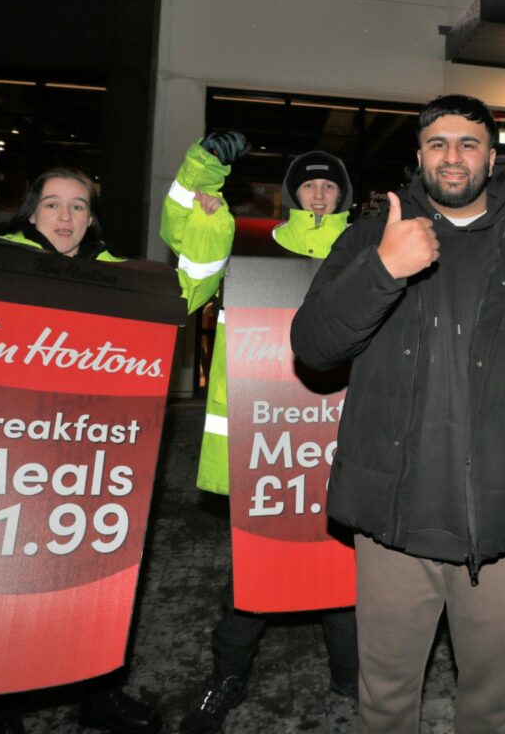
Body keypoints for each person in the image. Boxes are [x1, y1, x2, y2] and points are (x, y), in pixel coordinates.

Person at [0, 91, 245, 734]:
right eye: (52, 202)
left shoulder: (118, 280)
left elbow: (189, 287)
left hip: (91, 462)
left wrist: (211, 219)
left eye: (78, 205)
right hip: (3, 459)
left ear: (91, 218)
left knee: (90, 580)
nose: (66, 215)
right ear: (31, 210)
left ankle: (96, 695)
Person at [290, 94, 505, 733]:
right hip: (391, 519)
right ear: (419, 155)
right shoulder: (369, 237)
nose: (452, 156)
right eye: (438, 143)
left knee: (492, 705)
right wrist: (384, 268)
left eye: (469, 143)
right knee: (384, 700)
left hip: (500, 521)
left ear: (491, 157)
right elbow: (314, 346)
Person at [168, 150, 360, 733]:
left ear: (344, 194)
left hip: (343, 436)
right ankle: (228, 676)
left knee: (344, 568)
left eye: (331, 185)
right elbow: (189, 278)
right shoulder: (252, 242)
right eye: (309, 186)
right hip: (267, 438)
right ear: (292, 194)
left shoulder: (368, 247)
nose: (320, 195)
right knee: (258, 565)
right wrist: (201, 204)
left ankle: (352, 680)